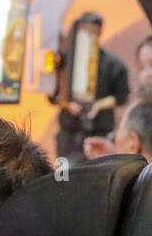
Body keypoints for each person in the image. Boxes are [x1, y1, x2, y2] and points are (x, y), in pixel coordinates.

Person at [51, 15, 130, 162]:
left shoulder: (113, 64)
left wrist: (97, 105)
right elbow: (53, 95)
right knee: (63, 178)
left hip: (99, 132)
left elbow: (121, 96)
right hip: (69, 134)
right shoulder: (63, 61)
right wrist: (68, 104)